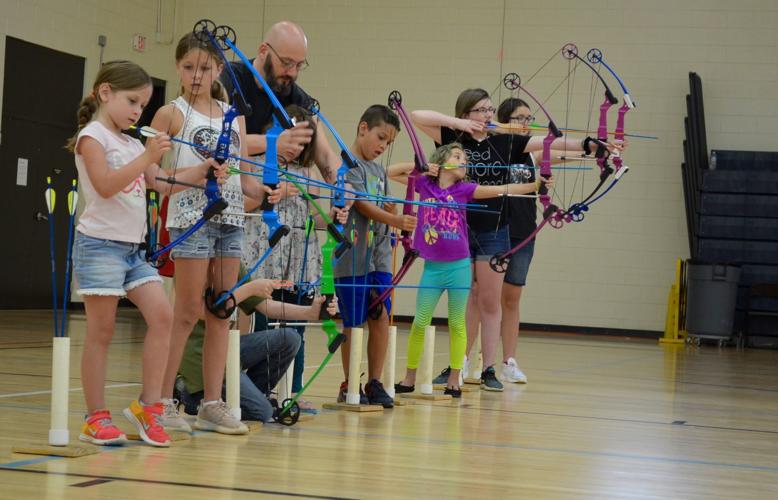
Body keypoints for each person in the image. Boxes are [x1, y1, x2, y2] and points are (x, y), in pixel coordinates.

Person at [412, 88, 622, 391]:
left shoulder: (506, 141)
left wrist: (590, 144)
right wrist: (459, 124)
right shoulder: (452, 140)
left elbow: (551, 142)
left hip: (494, 232)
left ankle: (488, 369)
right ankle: (459, 365)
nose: (488, 115)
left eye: (490, 109)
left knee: (490, 301)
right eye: (481, 110)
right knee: (465, 301)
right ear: (467, 114)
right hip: (458, 232)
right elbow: (417, 116)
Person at [66, 60, 223, 447]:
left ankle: (148, 406)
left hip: (133, 251)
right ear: (105, 93)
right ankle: (95, 417)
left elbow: (163, 184)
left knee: (163, 317)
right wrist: (148, 157)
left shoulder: (133, 143)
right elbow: (105, 186)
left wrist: (202, 172)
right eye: (132, 101)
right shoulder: (92, 137)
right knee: (101, 331)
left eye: (143, 104)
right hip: (99, 246)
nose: (138, 111)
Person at [151, 33, 262, 435]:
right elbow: (155, 177)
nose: (196, 75)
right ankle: (162, 401)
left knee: (222, 310)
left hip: (230, 219)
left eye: (205, 67)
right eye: (188, 67)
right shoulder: (171, 114)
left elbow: (245, 178)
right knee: (185, 313)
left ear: (218, 70)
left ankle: (212, 404)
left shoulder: (234, 115)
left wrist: (268, 192)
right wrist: (197, 175)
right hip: (190, 219)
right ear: (177, 68)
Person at [390, 144, 550, 397]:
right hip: (432, 268)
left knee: (457, 323)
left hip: (459, 267)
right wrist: (422, 168)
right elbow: (390, 172)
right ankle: (409, 378)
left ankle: (454, 379)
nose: (464, 161)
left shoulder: (464, 189)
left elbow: (503, 189)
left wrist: (535, 185)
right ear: (441, 162)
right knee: (420, 322)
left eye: (464, 158)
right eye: (457, 156)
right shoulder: (423, 185)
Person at [243, 104, 348, 413]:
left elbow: (315, 218)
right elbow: (242, 206)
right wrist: (271, 195)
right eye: (293, 139)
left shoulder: (307, 173)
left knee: (298, 326)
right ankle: (259, 389)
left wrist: (333, 216)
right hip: (263, 256)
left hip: (299, 260)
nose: (297, 148)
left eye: (304, 143)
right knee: (264, 323)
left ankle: (293, 391)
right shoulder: (255, 164)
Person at [333, 105, 413, 408]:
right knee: (354, 323)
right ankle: (350, 382)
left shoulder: (379, 172)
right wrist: (394, 219)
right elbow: (362, 205)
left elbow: (382, 205)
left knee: (380, 316)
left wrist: (392, 213)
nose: (383, 146)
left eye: (388, 143)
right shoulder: (345, 165)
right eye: (381, 137)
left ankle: (375, 382)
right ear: (363, 127)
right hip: (352, 257)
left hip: (378, 257)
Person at [175, 275, 339, 423]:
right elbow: (201, 311)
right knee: (263, 412)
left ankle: (251, 394)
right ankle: (191, 396)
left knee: (289, 338)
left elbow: (266, 306)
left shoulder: (233, 261)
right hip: (200, 356)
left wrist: (310, 313)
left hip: (227, 348)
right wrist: (250, 289)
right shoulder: (194, 261)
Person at [221, 21, 341, 183]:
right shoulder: (229, 79)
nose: (292, 73)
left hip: (268, 190)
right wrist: (272, 142)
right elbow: (215, 138)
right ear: (263, 51)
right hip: (226, 180)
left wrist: (343, 185)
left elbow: (325, 155)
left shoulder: (299, 98)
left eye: (299, 65)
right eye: (286, 63)